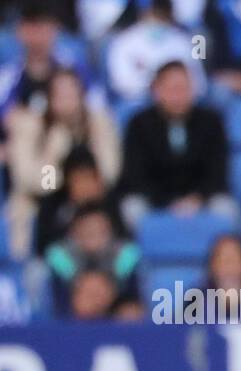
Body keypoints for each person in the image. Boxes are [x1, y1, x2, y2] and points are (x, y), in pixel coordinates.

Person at [6, 68, 121, 260]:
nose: (67, 100)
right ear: (48, 98)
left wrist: (83, 188)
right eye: (60, 94)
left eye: (71, 93)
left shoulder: (99, 122)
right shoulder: (28, 124)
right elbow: (41, 185)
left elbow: (109, 174)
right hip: (41, 204)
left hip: (92, 203)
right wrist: (55, 150)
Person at [119, 60, 237, 228]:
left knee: (226, 210)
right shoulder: (139, 124)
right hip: (155, 199)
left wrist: (197, 198)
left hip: (201, 198)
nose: (179, 95)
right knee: (132, 208)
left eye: (184, 88)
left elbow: (217, 171)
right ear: (157, 91)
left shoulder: (211, 122)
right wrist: (168, 202)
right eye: (173, 89)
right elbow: (135, 175)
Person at [0, 3, 100, 119]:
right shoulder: (9, 75)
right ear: (20, 31)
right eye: (32, 28)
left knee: (99, 121)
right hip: (27, 130)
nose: (37, 37)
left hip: (68, 127)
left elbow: (96, 103)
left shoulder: (73, 66)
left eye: (43, 28)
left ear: (54, 29)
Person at [44, 202, 141, 315]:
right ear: (73, 232)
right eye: (88, 231)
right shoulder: (59, 257)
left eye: (100, 231)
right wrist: (85, 291)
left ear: (111, 231)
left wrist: (106, 291)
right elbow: (59, 304)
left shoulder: (125, 255)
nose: (94, 237)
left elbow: (133, 299)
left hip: (114, 312)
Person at [105, 0, 208, 107]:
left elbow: (200, 83)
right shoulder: (123, 41)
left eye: (161, 14)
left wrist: (174, 91)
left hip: (180, 101)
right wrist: (159, 88)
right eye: (153, 13)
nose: (157, 19)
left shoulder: (185, 41)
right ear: (143, 13)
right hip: (140, 101)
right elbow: (121, 84)